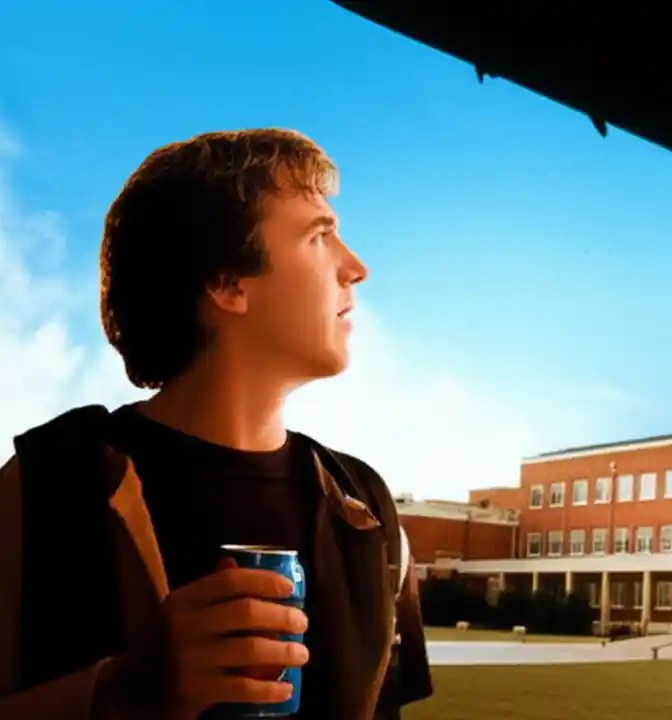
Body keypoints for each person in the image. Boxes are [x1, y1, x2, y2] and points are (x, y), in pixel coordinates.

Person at [0, 129, 432, 719]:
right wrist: (120, 693)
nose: (356, 267)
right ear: (227, 283)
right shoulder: (44, 485)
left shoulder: (366, 507)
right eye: (320, 235)